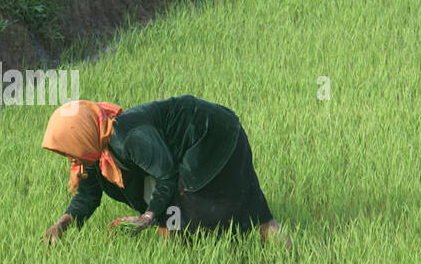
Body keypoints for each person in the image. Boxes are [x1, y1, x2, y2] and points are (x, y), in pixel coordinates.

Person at [40, 95, 289, 247]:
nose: (70, 158)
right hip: (202, 138)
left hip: (210, 134)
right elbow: (87, 196)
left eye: (69, 149)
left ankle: (280, 250)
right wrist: (62, 224)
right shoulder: (92, 151)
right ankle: (184, 256)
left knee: (198, 208)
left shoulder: (129, 137)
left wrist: (147, 217)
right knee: (175, 214)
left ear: (82, 135)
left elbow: (166, 175)